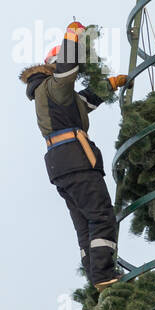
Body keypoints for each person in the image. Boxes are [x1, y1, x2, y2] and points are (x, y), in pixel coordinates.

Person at [20, 22, 129, 290]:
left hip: (60, 165)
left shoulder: (50, 95)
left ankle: (96, 277)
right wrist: (72, 38)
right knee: (102, 216)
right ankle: (104, 275)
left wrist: (110, 85)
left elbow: (84, 102)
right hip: (76, 160)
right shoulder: (52, 86)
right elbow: (67, 73)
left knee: (85, 223)